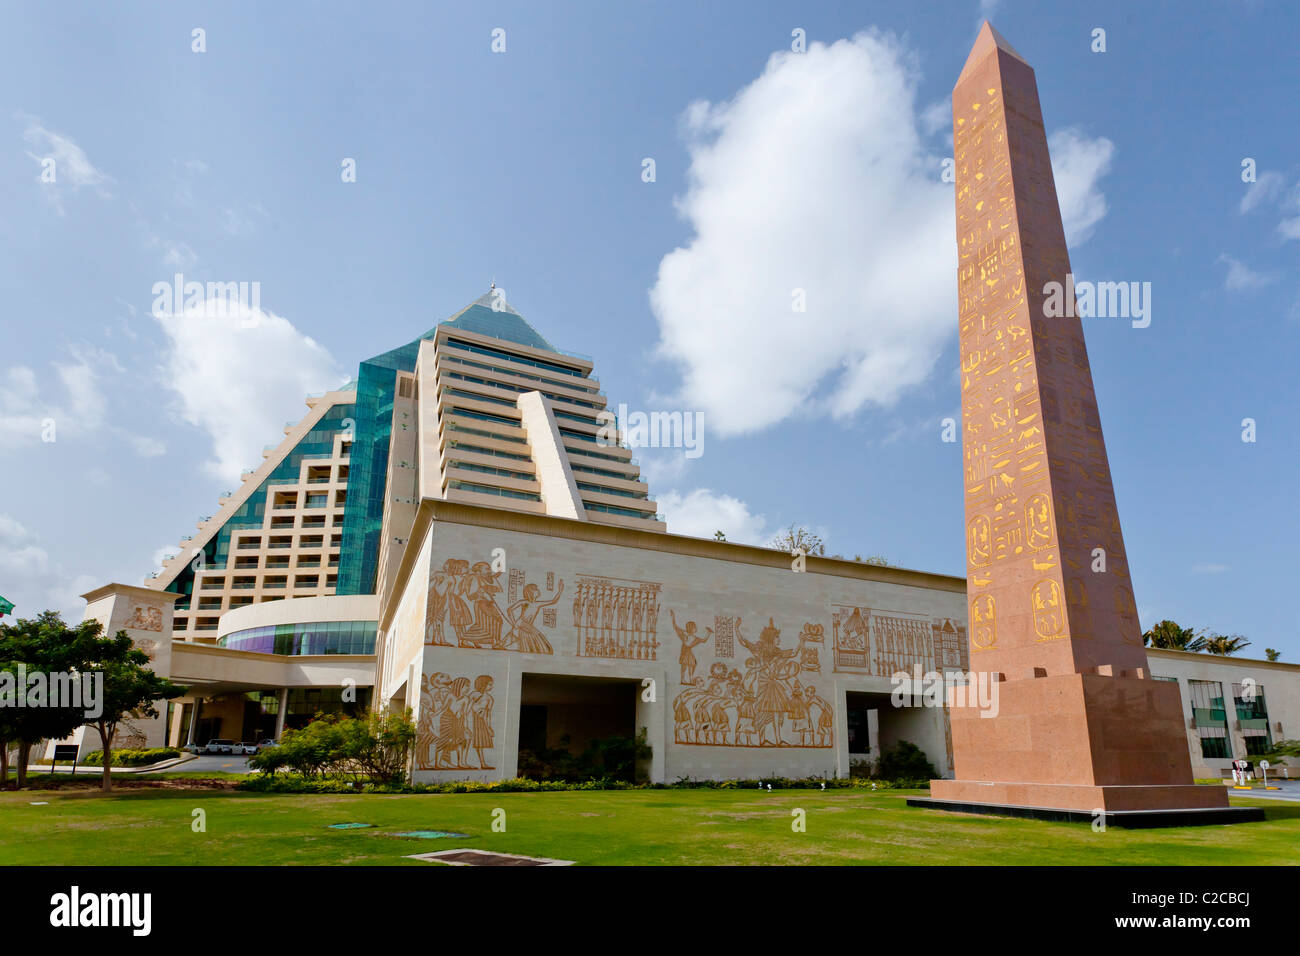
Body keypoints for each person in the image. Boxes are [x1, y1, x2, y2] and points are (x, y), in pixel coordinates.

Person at [505, 581, 564, 654]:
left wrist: (560, 591)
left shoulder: (537, 604)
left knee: (537, 642)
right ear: (531, 592)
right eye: (535, 589)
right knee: (538, 636)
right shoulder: (524, 602)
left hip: (528, 626)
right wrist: (514, 623)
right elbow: (509, 610)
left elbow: (553, 601)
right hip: (521, 623)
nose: (538, 590)